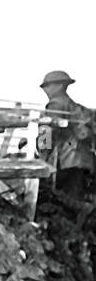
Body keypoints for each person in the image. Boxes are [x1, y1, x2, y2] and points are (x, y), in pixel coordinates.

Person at [39, 70, 95, 199]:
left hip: (66, 160)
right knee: (76, 197)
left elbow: (47, 131)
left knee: (66, 199)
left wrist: (43, 156)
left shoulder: (55, 104)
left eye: (47, 86)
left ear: (59, 86)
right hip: (83, 159)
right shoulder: (74, 106)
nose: (45, 90)